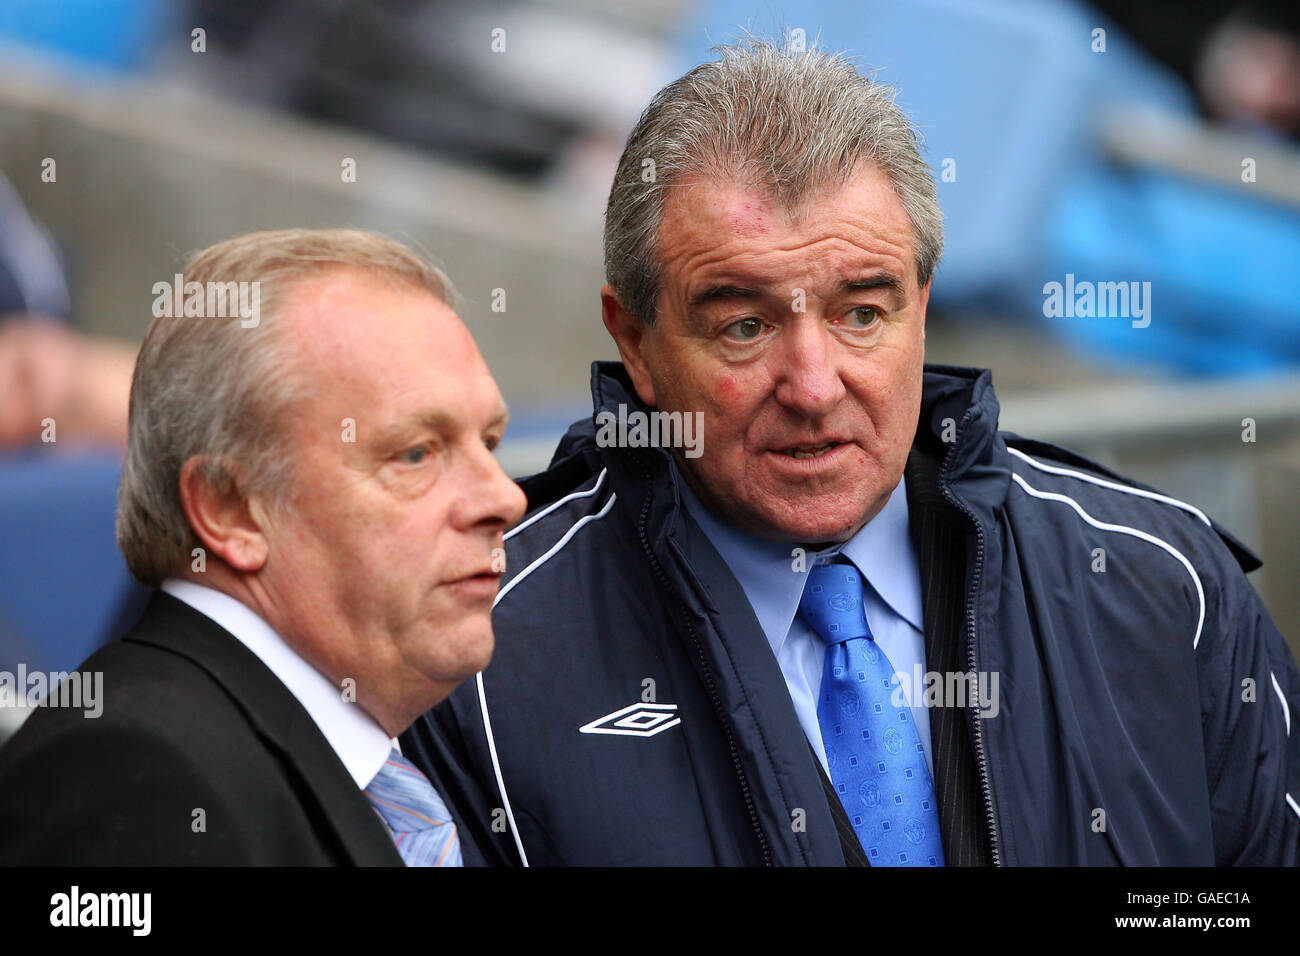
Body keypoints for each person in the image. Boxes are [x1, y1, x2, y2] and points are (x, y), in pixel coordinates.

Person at [402, 39, 1300, 866]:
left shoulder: (1166, 588)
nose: (815, 385)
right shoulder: (470, 655)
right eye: (746, 326)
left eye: (862, 313)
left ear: (922, 304)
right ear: (634, 343)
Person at [0, 228, 526, 865]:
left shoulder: (391, 771)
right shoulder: (137, 779)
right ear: (231, 510)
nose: (504, 497)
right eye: (416, 453)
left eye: (491, 443)